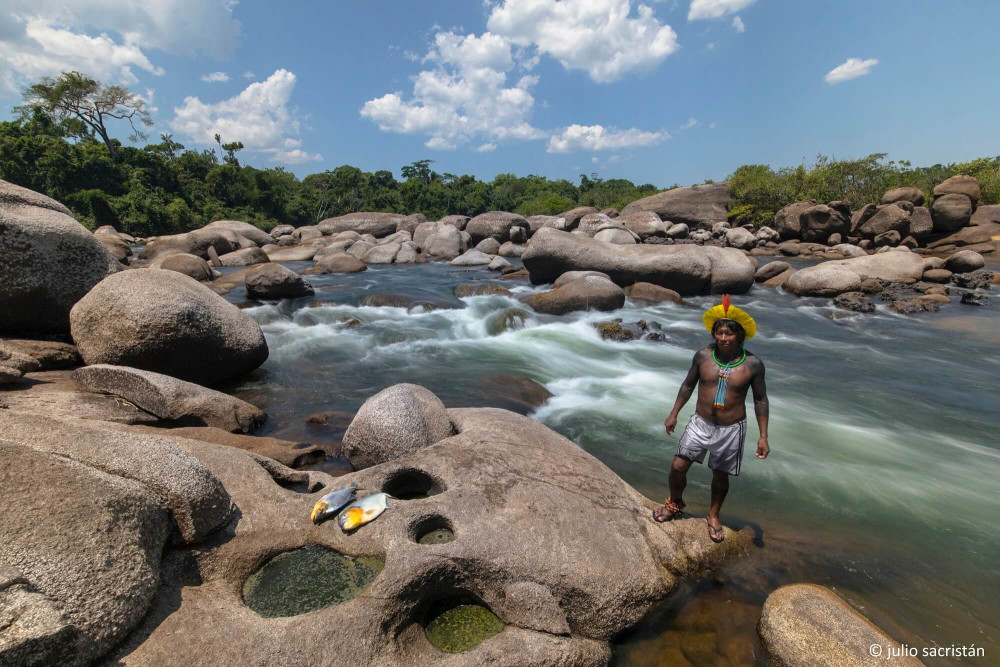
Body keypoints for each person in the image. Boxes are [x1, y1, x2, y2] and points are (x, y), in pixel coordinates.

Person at [653, 295, 770, 542]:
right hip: (700, 422)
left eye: (729, 334)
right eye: (719, 333)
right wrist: (674, 414)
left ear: (739, 335)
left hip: (731, 429)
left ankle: (713, 515)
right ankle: (675, 503)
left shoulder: (753, 365)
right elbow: (687, 385)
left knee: (720, 475)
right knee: (677, 466)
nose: (723, 338)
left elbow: (760, 400)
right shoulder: (703, 356)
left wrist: (763, 436)